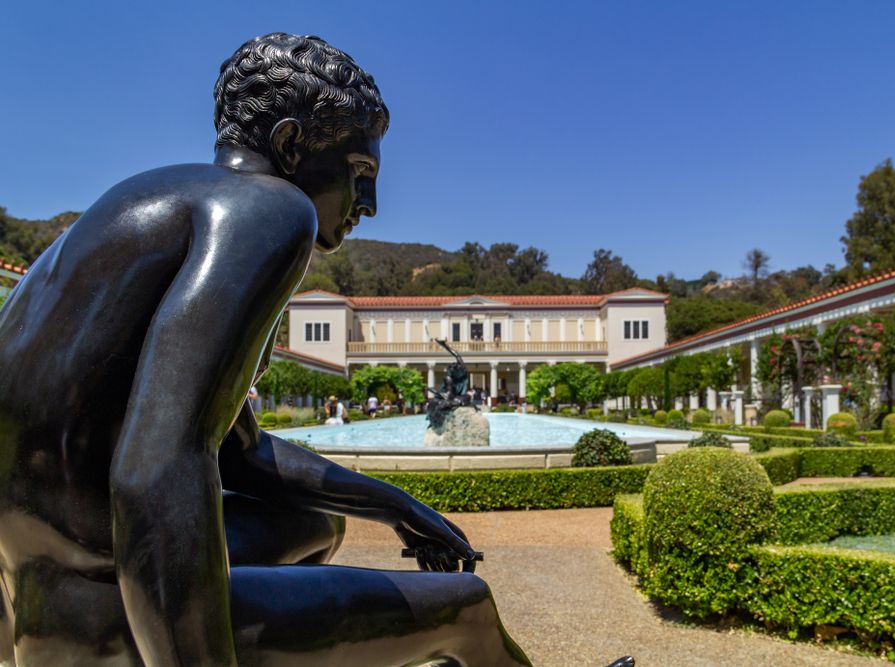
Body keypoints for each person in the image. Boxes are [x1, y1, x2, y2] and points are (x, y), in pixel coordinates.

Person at [0, 32, 617, 667]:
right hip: (108, 621)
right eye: (361, 172)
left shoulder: (137, 208)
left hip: (39, 604)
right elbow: (156, 468)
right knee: (471, 608)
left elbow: (237, 453)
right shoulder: (267, 211)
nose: (370, 205)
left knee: (315, 524)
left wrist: (397, 505)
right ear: (292, 145)